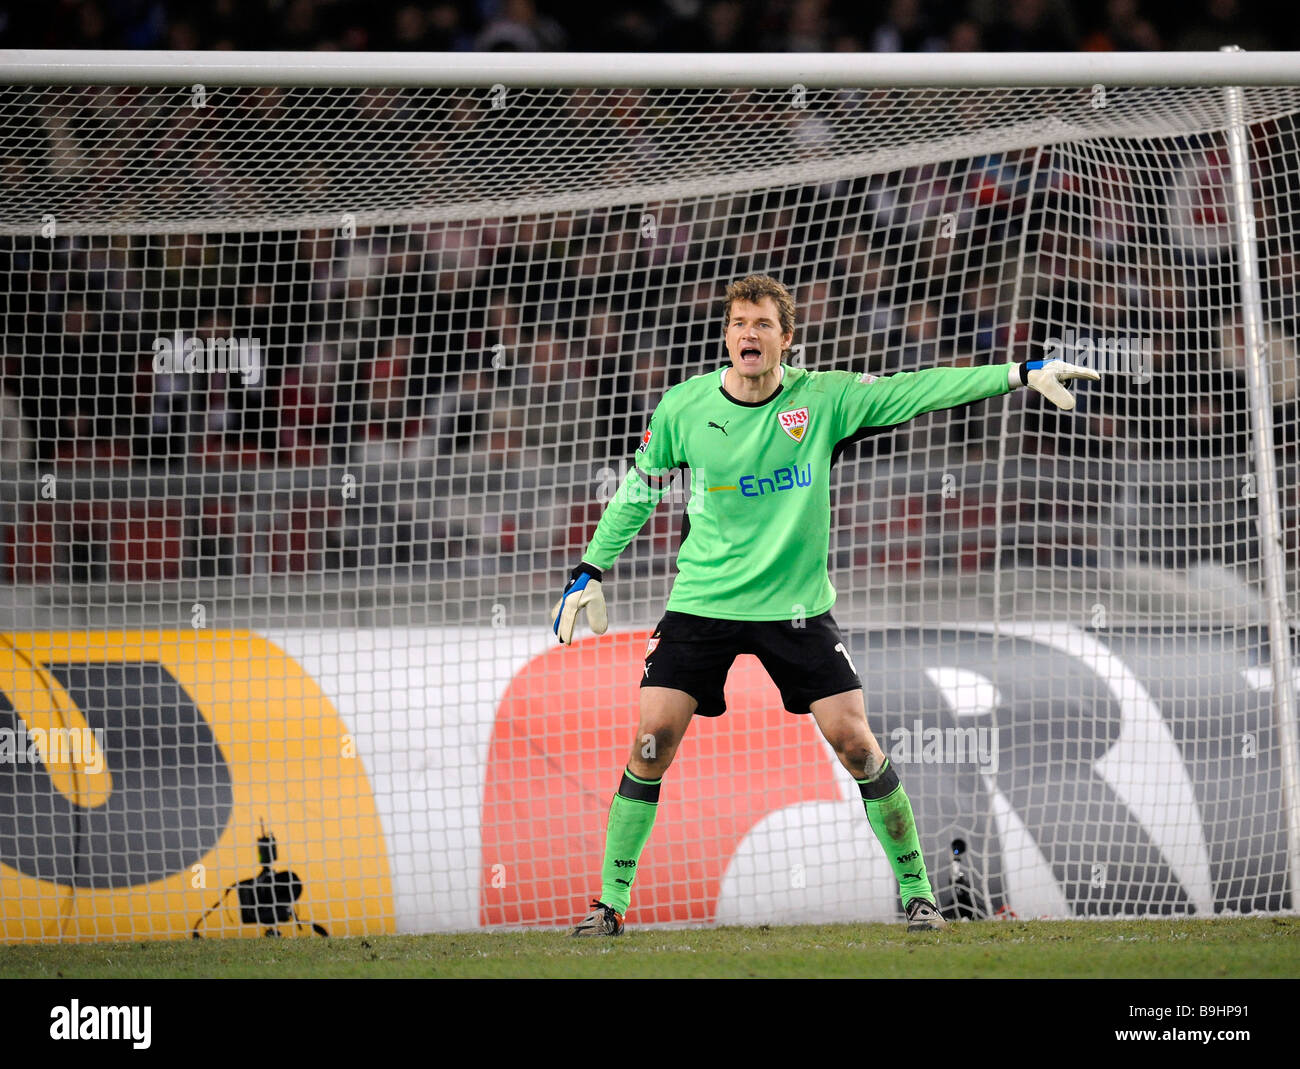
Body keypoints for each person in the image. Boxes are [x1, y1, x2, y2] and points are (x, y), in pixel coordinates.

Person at [551, 274, 1098, 935]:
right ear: (726, 335)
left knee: (859, 747)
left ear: (788, 338)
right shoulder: (684, 407)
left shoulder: (825, 400)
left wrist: (1014, 374)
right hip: (703, 603)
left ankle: (919, 895)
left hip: (797, 608)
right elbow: (639, 492)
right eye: (737, 323)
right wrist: (588, 569)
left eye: (761, 324)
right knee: (650, 743)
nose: (747, 333)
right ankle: (609, 905)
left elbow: (915, 389)